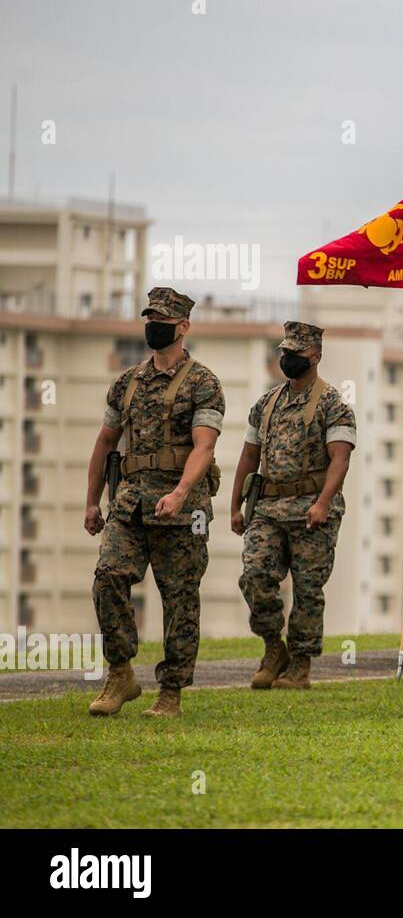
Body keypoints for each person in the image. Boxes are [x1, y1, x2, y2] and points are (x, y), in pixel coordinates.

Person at [83, 287, 224, 718]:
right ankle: (121, 672)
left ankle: (172, 692)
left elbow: (204, 447)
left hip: (182, 510)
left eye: (161, 321)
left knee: (180, 597)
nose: (153, 327)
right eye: (149, 319)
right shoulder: (127, 383)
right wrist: (91, 502)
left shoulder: (203, 383)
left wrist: (180, 493)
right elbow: (105, 442)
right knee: (108, 576)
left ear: (183, 327)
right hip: (129, 505)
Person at [231, 322, 355, 690]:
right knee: (255, 575)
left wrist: (322, 503)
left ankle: (300, 664)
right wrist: (235, 505)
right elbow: (248, 455)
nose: (288, 360)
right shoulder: (267, 403)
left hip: (310, 511)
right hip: (267, 508)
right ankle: (273, 648)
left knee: (307, 589)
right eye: (284, 353)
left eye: (296, 355)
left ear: (315, 357)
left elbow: (340, 460)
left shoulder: (333, 403)